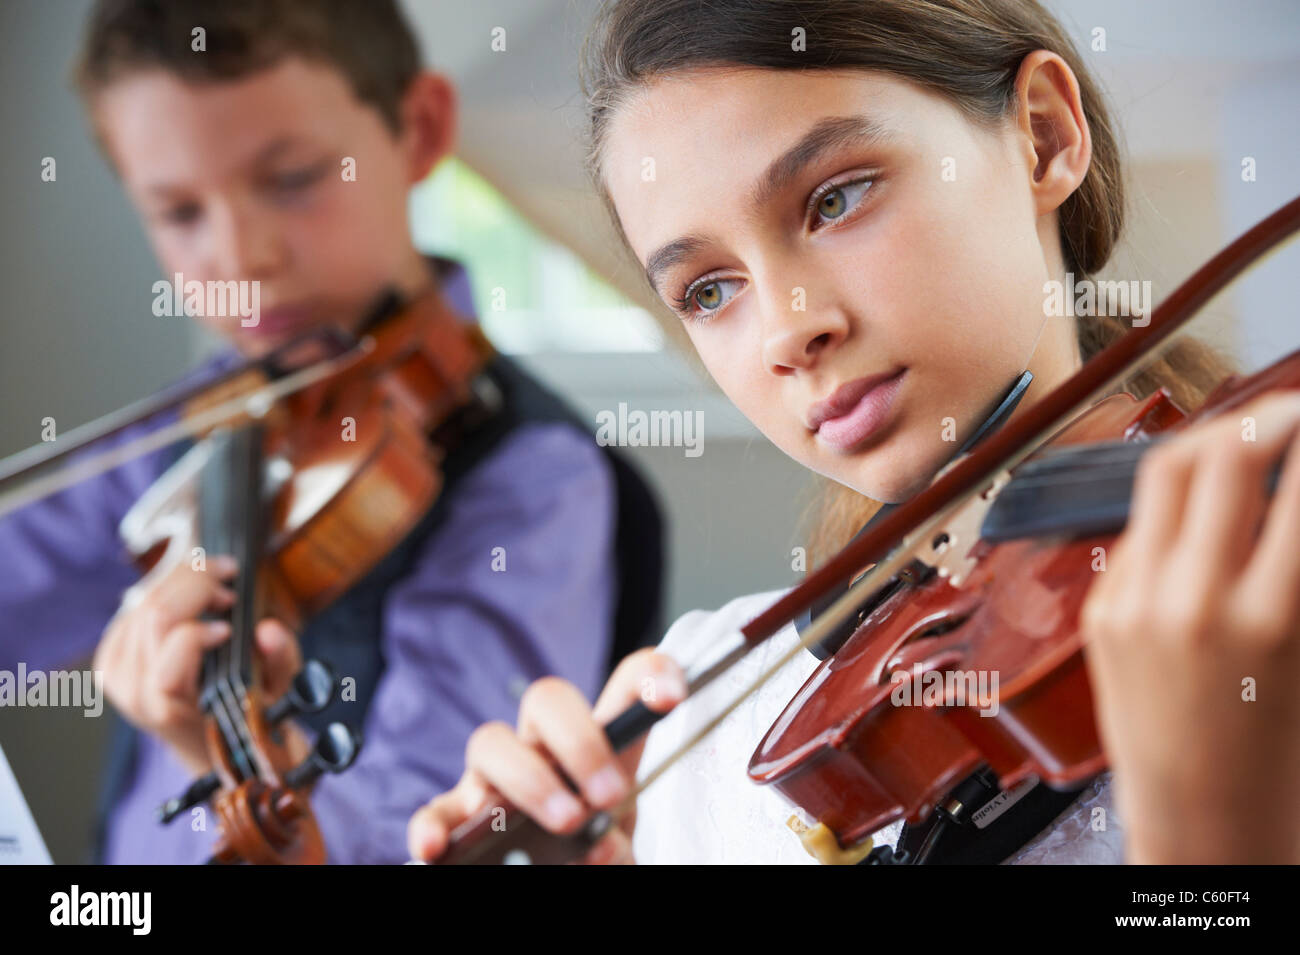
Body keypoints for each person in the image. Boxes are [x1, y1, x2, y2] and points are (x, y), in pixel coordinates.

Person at [408, 0, 1300, 865]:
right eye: (708, 291)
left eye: (835, 199)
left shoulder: (1272, 585)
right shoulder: (710, 704)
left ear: (1043, 135)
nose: (787, 333)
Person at [0, 0, 662, 864]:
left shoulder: (529, 475)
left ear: (419, 129)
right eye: (179, 212)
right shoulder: (203, 418)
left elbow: (426, 832)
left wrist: (222, 761)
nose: (242, 259)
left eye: (294, 178)